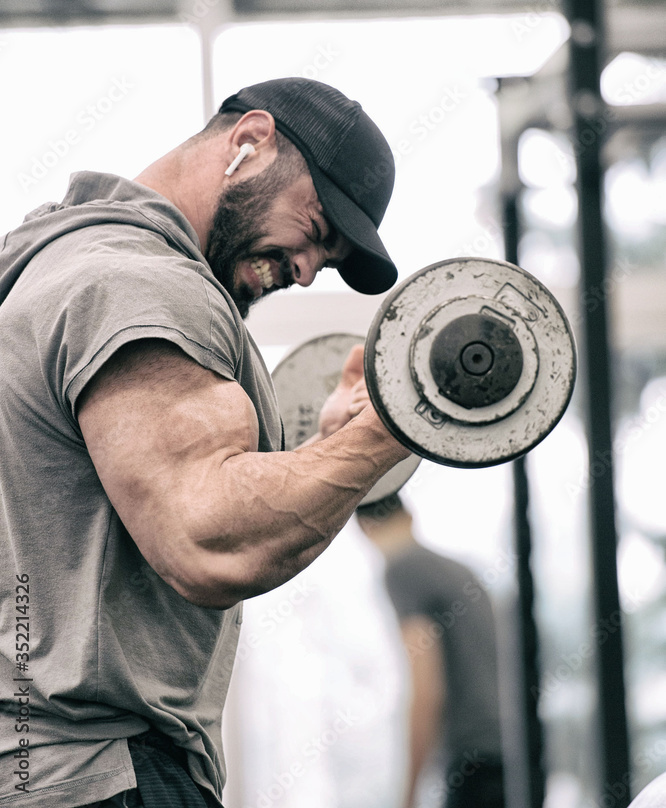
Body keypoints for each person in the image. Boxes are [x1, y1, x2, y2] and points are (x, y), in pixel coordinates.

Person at [0, 77, 410, 808]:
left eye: (331, 259)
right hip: (102, 778)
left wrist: (328, 450)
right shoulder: (141, 286)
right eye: (315, 228)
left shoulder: (48, 264)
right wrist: (391, 428)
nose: (309, 268)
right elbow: (206, 535)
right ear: (249, 143)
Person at [357, 494, 505, 808]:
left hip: (473, 763)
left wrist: (408, 795)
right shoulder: (460, 571)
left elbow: (426, 690)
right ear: (409, 516)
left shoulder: (402, 569)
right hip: (514, 754)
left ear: (365, 528)